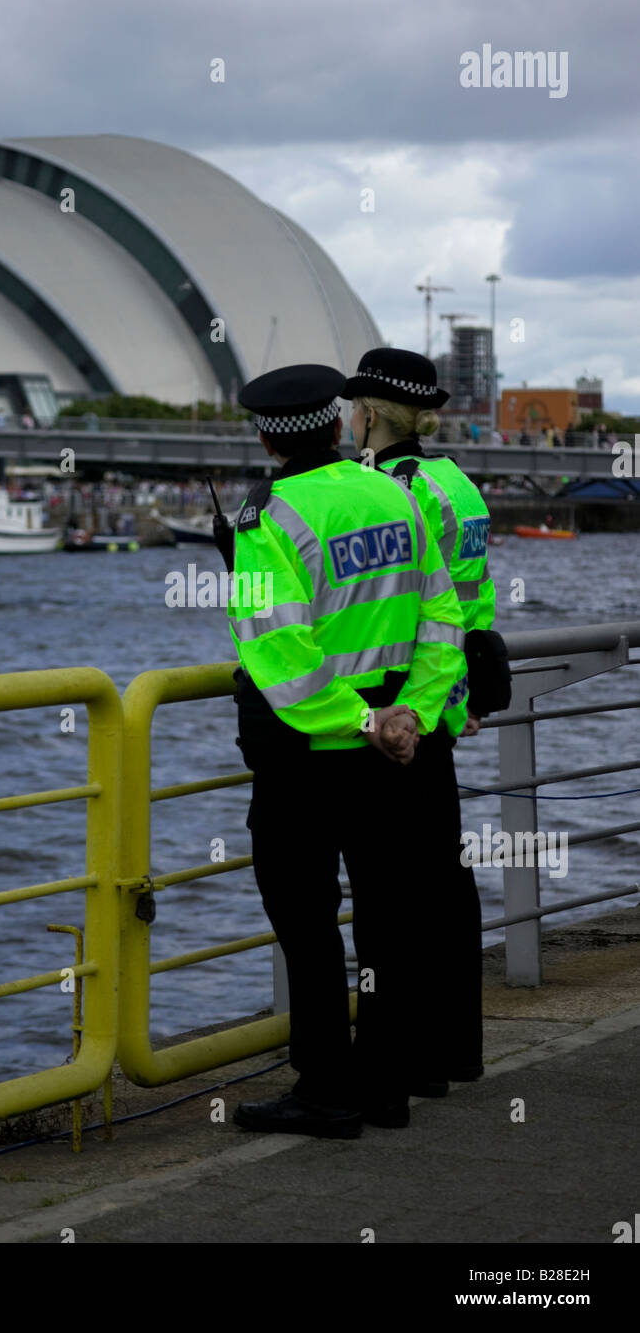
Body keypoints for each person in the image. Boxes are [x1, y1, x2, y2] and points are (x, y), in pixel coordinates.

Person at [226, 364, 467, 1139]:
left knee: (305, 922)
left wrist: (362, 722)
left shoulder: (267, 520)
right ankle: (387, 1089)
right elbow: (442, 616)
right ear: (337, 425)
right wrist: (411, 718)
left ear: (266, 437)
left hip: (308, 762)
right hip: (392, 757)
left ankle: (326, 1090)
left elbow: (282, 657)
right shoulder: (397, 496)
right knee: (388, 922)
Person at [343, 347, 503, 1097]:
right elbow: (472, 611)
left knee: (388, 894)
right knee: (445, 883)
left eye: (353, 409)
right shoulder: (460, 487)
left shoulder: (381, 489)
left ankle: (396, 1062)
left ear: (368, 414)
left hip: (391, 716)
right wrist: (457, 702)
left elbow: (392, 608)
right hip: (441, 709)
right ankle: (454, 1053)